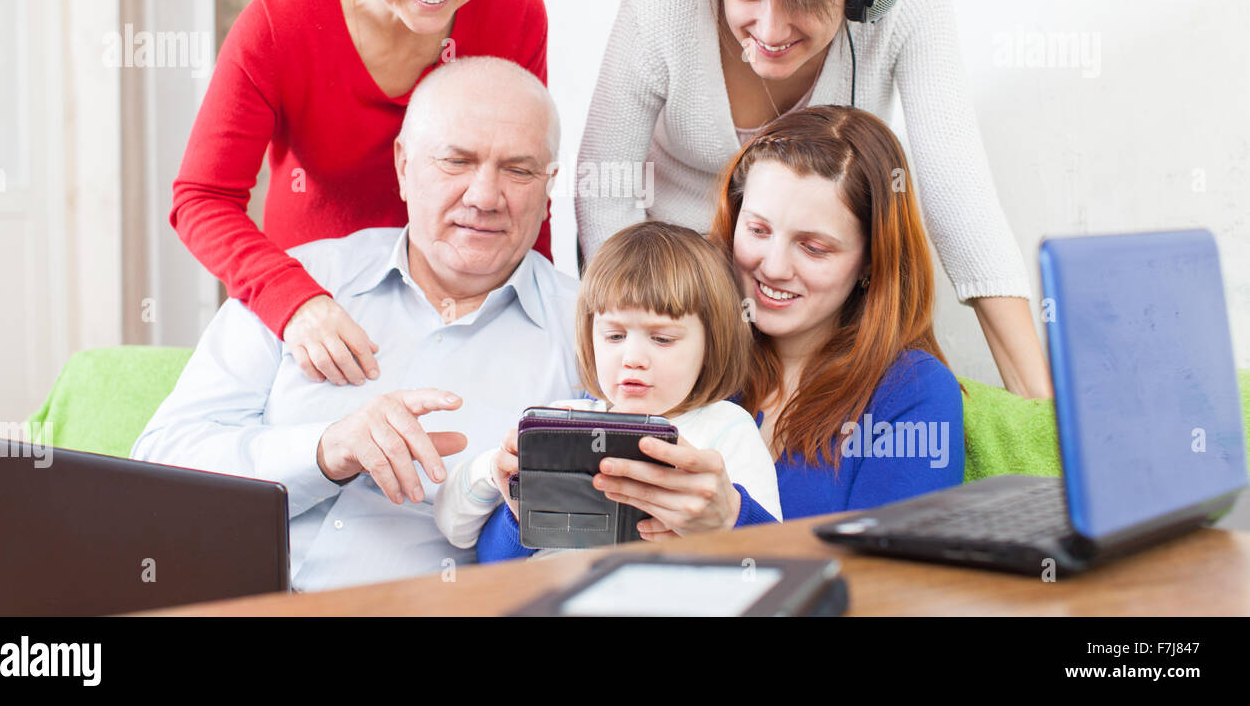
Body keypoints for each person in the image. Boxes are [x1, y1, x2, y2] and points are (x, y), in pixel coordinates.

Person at [576, 0, 1051, 398]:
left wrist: (1041, 404)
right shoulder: (658, 7)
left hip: (822, 304)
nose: (770, 30)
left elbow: (959, 192)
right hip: (678, 308)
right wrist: (651, 347)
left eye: (802, 1)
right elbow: (605, 194)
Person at [132, 58, 581, 591]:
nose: (484, 197)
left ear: (549, 186)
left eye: (519, 170)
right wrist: (325, 451)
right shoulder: (297, 284)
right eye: (456, 161)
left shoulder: (594, 337)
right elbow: (159, 467)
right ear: (403, 167)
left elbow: (606, 541)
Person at [171, 0, 552, 391]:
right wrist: (294, 301)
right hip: (322, 312)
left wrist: (546, 319)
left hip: (469, 305)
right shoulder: (280, 24)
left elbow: (524, 180)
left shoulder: (513, 9)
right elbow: (202, 198)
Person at [564, 106, 964, 540]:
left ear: (872, 259)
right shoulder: (669, 351)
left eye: (813, 248)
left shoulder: (913, 393)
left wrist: (733, 522)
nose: (773, 268)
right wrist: (518, 507)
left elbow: (890, 577)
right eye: (757, 230)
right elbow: (523, 556)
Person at [429, 221, 782, 560]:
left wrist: (729, 518)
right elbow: (469, 543)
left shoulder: (726, 429)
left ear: (712, 345)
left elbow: (776, 555)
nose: (632, 359)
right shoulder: (563, 421)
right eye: (614, 336)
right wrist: (495, 476)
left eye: (662, 338)